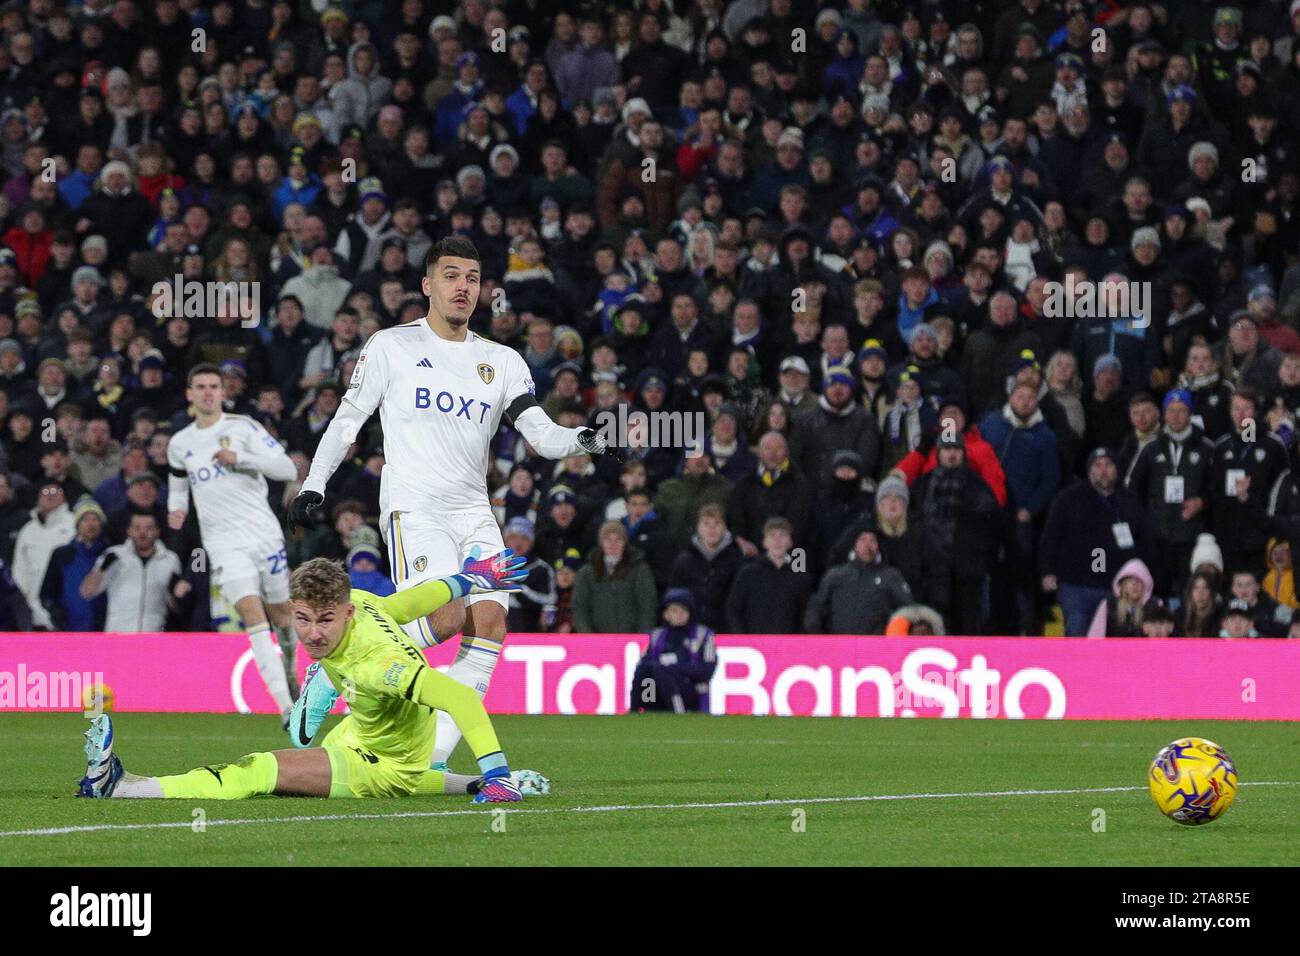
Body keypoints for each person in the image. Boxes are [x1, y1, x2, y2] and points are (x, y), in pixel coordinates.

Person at [288, 237, 621, 771]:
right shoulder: (391, 345)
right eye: (451, 275)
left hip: (473, 511)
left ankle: (431, 757)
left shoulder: (501, 360)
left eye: (471, 277)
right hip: (415, 507)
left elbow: (539, 433)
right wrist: (314, 485)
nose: (463, 286)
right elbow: (348, 419)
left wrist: (589, 438)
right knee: (446, 615)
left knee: (489, 622)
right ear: (427, 285)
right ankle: (330, 673)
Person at [78, 553, 547, 803]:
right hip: (362, 734)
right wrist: (470, 578)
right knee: (307, 738)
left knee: (259, 769)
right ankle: (466, 783)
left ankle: (123, 787)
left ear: (342, 612)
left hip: (378, 765)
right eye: (302, 619)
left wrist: (498, 774)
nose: (312, 633)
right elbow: (411, 603)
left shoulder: (379, 665)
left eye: (324, 621)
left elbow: (460, 699)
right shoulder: (362, 601)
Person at [167, 363, 299, 723]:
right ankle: (286, 706)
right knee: (252, 616)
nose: (208, 392)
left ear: (223, 393)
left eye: (214, 386)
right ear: (189, 394)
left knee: (283, 616)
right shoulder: (180, 444)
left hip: (263, 534)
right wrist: (175, 510)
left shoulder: (243, 428)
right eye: (201, 386)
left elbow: (287, 469)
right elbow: (178, 487)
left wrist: (239, 458)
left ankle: (290, 665)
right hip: (223, 543)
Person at [80, 512, 182, 632]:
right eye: (137, 528)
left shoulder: (170, 559)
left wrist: (175, 593)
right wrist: (102, 569)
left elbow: (175, 606)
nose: (142, 533)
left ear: (157, 531)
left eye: (148, 528)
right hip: (118, 636)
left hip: (153, 635)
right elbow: (86, 592)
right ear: (129, 531)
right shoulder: (114, 554)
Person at [803, 526, 912, 634]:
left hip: (877, 646)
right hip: (838, 644)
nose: (868, 545)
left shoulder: (890, 576)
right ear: (854, 545)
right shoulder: (836, 575)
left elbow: (907, 608)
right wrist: (815, 630)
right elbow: (817, 605)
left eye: (872, 540)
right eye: (863, 539)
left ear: (878, 546)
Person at [629, 588, 717, 714]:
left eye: (684, 610)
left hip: (691, 692)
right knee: (644, 670)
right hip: (659, 692)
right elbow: (645, 665)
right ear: (666, 614)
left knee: (662, 670)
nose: (679, 614)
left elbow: (707, 670)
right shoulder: (656, 636)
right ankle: (638, 710)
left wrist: (673, 667)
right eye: (674, 610)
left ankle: (679, 713)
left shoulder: (702, 635)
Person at [726, 516, 812, 634]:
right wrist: (742, 638)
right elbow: (733, 609)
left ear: (790, 542)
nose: (777, 540)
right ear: (764, 542)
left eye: (782, 535)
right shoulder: (748, 573)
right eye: (772, 535)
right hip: (753, 647)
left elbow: (804, 616)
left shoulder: (800, 578)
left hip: (788, 646)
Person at [1086, 558, 1163, 638]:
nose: (1134, 585)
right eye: (1130, 580)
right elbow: (1095, 637)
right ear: (1123, 585)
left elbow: (1163, 638)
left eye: (1139, 581)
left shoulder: (1156, 605)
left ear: (1145, 586)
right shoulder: (1108, 604)